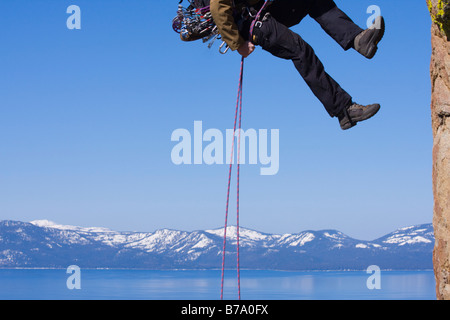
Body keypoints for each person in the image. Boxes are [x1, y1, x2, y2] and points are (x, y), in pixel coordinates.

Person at [209, 0, 385, 130]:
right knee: (300, 50)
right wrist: (238, 44)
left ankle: (358, 40)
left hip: (266, 8)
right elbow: (217, 6)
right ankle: (344, 110)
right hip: (251, 22)